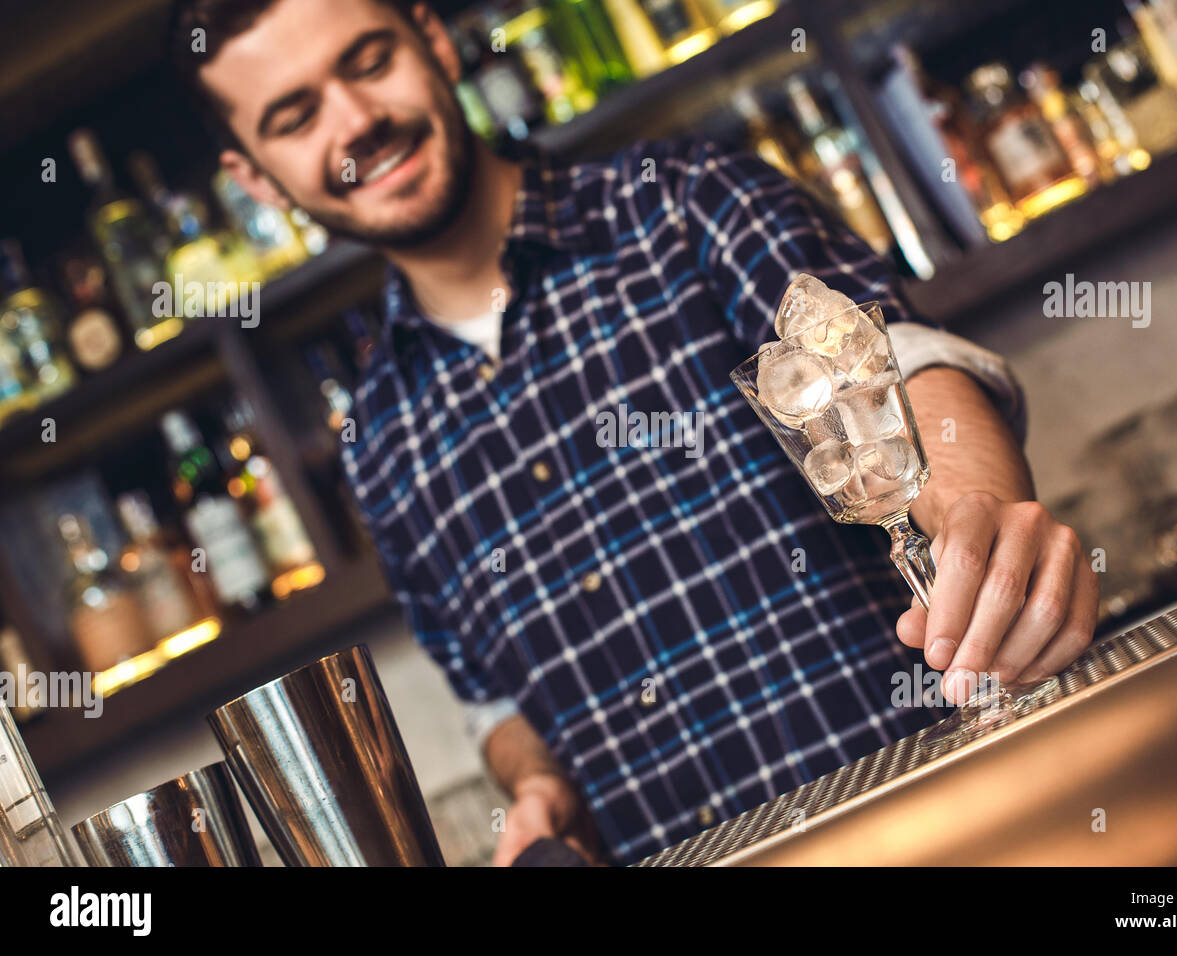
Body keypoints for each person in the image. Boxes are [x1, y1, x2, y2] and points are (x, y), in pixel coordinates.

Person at [167, 0, 1100, 865]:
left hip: (963, 831)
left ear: (433, 42)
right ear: (255, 177)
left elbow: (896, 368)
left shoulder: (684, 203)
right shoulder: (378, 439)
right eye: (295, 116)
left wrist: (977, 511)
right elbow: (495, 703)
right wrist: (536, 786)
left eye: (369, 62)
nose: (355, 120)